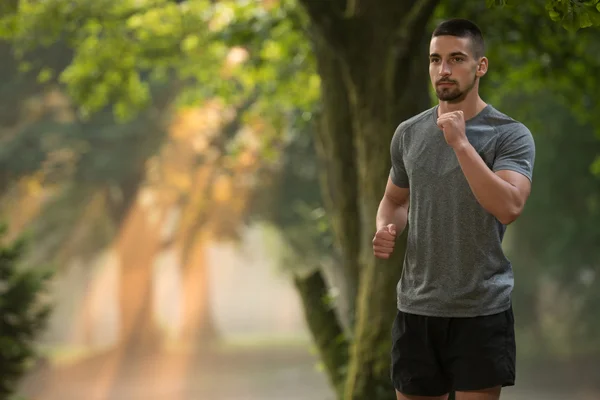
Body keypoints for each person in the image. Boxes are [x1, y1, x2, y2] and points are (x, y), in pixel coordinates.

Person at [372, 18, 536, 400]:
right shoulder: (408, 133)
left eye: (456, 58)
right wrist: (386, 227)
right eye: (435, 59)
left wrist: (461, 145)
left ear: (480, 66)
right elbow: (395, 199)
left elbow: (509, 206)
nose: (443, 70)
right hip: (416, 307)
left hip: (480, 309)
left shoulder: (510, 135)